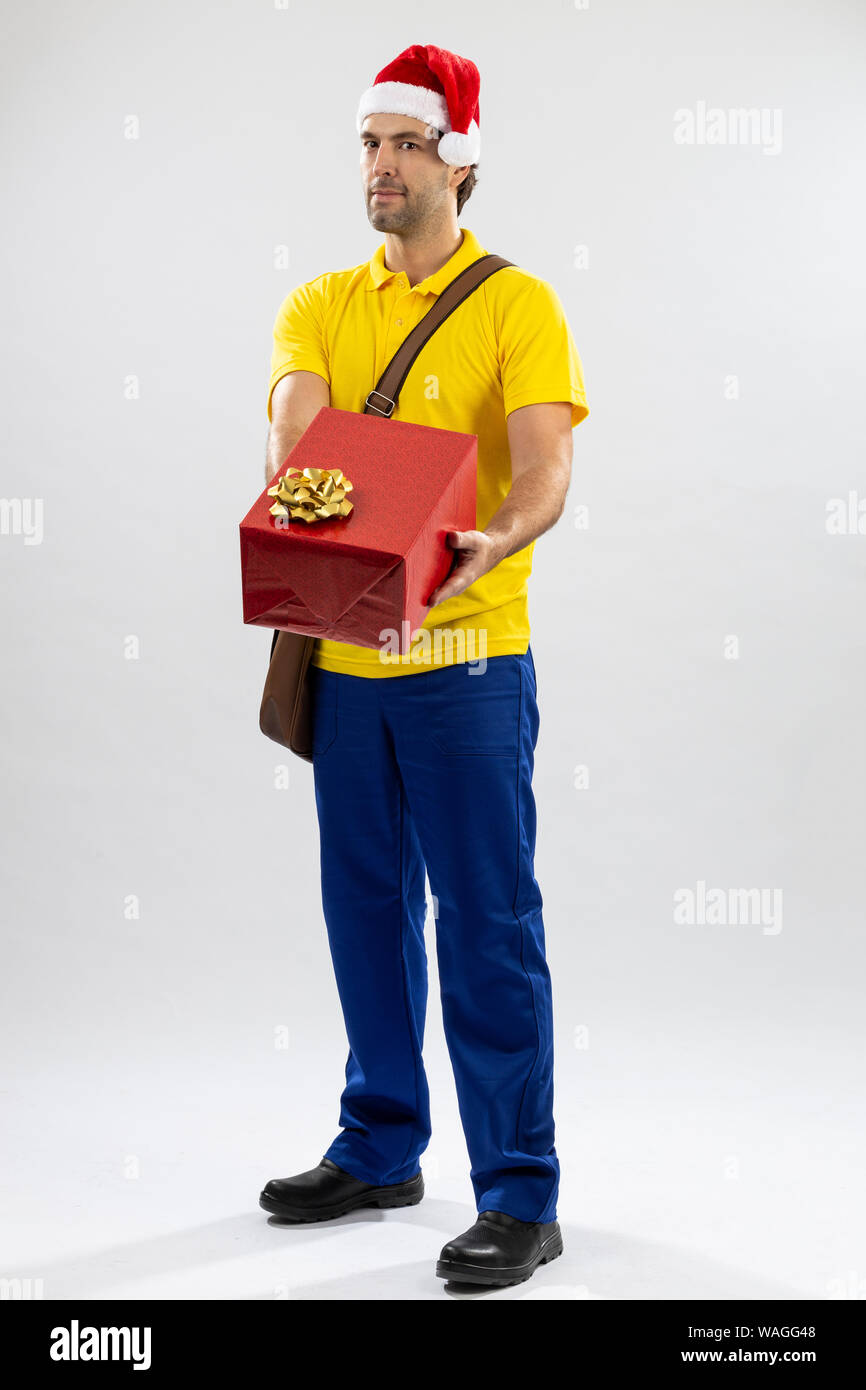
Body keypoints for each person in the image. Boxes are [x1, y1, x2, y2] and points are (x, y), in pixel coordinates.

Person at [259, 42, 589, 1289]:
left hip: (466, 669)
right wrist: (309, 475)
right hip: (349, 667)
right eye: (366, 145)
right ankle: (381, 1144)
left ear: (458, 160)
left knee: (489, 925)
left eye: (403, 144)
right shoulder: (321, 304)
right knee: (363, 911)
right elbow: (297, 425)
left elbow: (544, 467)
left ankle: (518, 1192)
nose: (380, 166)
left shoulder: (518, 304)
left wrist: (487, 535)